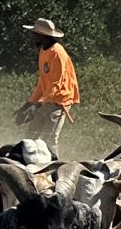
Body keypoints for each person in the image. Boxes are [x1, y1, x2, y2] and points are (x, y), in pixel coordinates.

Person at [19, 19, 77, 151]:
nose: (33, 36)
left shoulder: (57, 53)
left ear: (43, 36)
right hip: (45, 100)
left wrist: (37, 105)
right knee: (30, 137)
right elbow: (43, 81)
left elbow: (56, 84)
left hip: (58, 102)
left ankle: (54, 167)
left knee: (48, 141)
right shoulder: (44, 50)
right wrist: (29, 104)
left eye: (35, 34)